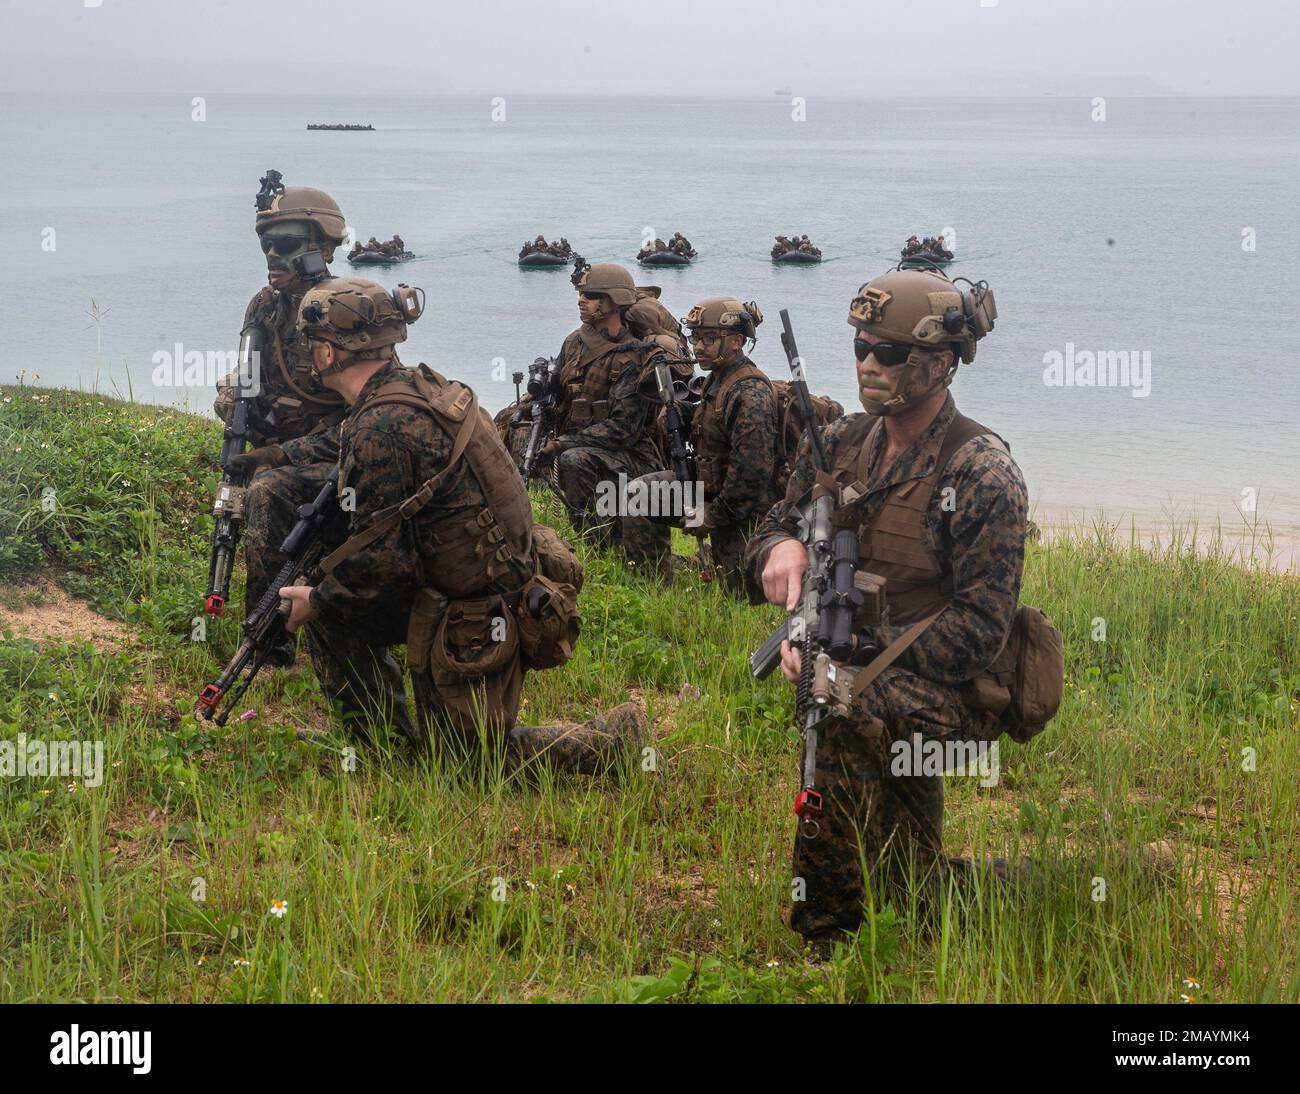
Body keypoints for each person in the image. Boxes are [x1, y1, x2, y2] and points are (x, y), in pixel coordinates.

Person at [745, 267, 1031, 948]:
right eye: (861, 348)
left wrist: (848, 649)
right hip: (879, 670)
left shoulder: (982, 474)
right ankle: (937, 886)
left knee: (837, 700)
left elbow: (980, 634)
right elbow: (769, 524)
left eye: (890, 354)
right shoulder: (844, 443)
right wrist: (779, 549)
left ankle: (828, 935)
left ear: (940, 363)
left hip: (959, 696)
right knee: (912, 885)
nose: (869, 365)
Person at [262, 275, 647, 772]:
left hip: (475, 619)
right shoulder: (417, 388)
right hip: (486, 587)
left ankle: (611, 740)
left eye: (311, 343)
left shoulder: (380, 426)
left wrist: (316, 600)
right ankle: (388, 739)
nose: (307, 353)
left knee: (468, 766)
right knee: (336, 597)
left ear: (330, 353)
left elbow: (384, 573)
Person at [214, 174, 349, 660]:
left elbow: (376, 420)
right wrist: (242, 419)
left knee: (268, 492)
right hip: (283, 448)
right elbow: (251, 381)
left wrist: (279, 455)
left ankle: (271, 639)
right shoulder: (265, 306)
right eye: (266, 244)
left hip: (340, 457)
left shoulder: (345, 308)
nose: (273, 255)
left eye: (286, 244)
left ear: (323, 247)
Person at [622, 297, 779, 596]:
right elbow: (713, 425)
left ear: (736, 340)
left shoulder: (749, 392)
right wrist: (684, 413)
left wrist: (713, 515)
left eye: (709, 338)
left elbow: (751, 475)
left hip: (743, 508)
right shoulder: (719, 378)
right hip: (707, 486)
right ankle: (653, 586)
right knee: (637, 495)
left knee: (740, 595)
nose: (699, 346)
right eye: (695, 337)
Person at [528, 264, 668, 549]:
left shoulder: (635, 356)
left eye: (591, 295)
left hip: (632, 454)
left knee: (573, 460)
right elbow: (559, 391)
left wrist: (561, 444)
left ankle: (596, 546)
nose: (581, 300)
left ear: (613, 302)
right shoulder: (575, 342)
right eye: (581, 293)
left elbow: (623, 430)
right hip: (586, 446)